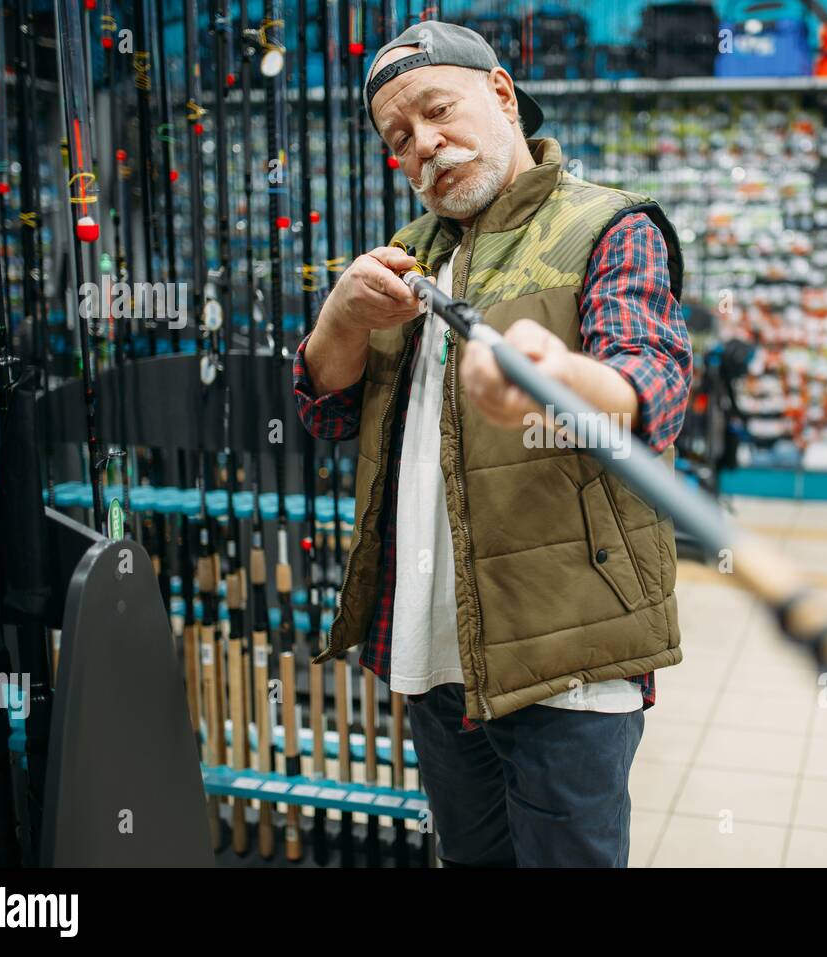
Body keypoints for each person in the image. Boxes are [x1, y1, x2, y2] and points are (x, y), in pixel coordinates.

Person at [294, 20, 692, 867]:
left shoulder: (609, 226)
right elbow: (328, 416)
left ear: (502, 95)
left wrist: (554, 381)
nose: (424, 145)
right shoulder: (403, 259)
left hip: (567, 658)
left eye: (438, 111)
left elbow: (650, 387)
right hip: (434, 651)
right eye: (399, 139)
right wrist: (341, 317)